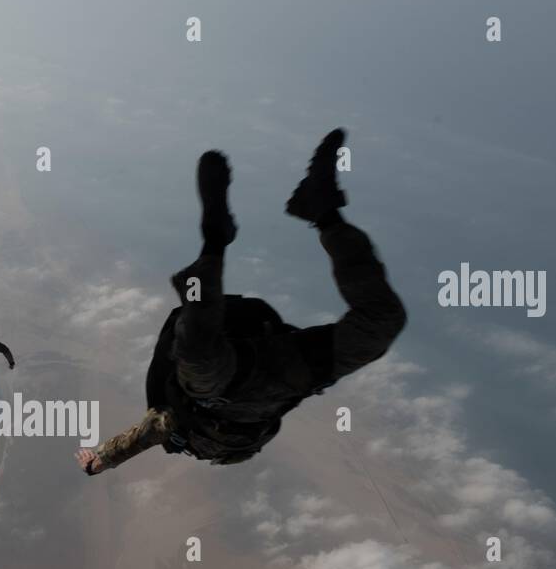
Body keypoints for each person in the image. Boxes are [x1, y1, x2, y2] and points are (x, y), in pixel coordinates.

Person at [76, 129, 406, 476]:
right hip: (286, 367)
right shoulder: (186, 428)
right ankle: (322, 211)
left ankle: (215, 241)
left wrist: (97, 461)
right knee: (383, 321)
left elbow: (135, 439)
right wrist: (100, 460)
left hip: (226, 380)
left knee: (197, 349)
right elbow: (134, 441)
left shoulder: (169, 423)